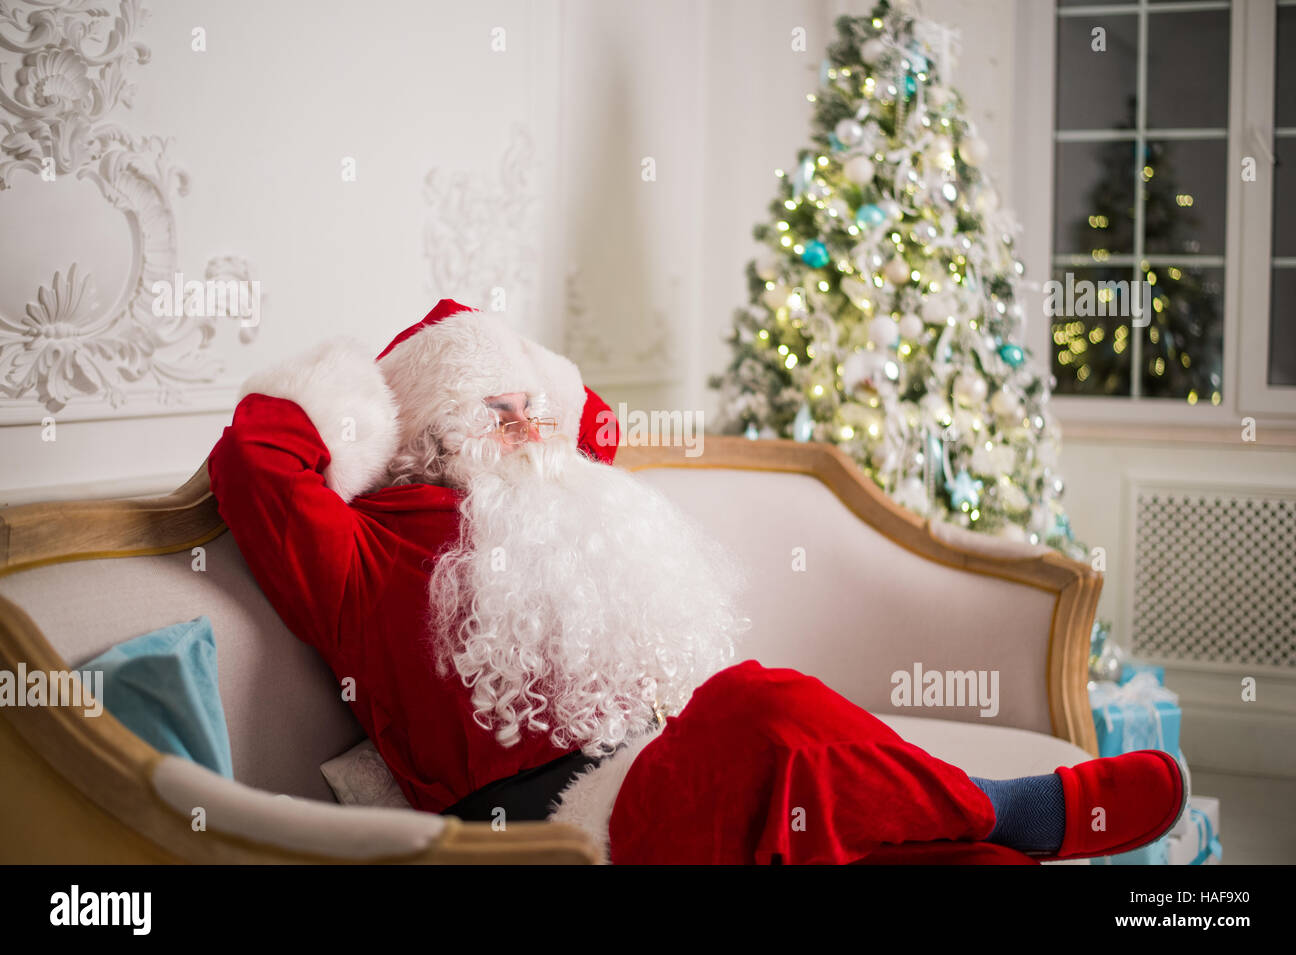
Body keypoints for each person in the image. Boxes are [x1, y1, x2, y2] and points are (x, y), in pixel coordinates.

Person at [206, 299, 1188, 865]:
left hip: (672, 771)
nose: (531, 426)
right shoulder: (365, 548)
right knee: (764, 707)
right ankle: (1015, 805)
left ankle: (987, 834)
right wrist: (368, 402)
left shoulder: (560, 502)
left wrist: (533, 381)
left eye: (532, 404)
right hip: (541, 822)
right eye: (494, 409)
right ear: (422, 432)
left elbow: (590, 428)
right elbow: (256, 458)